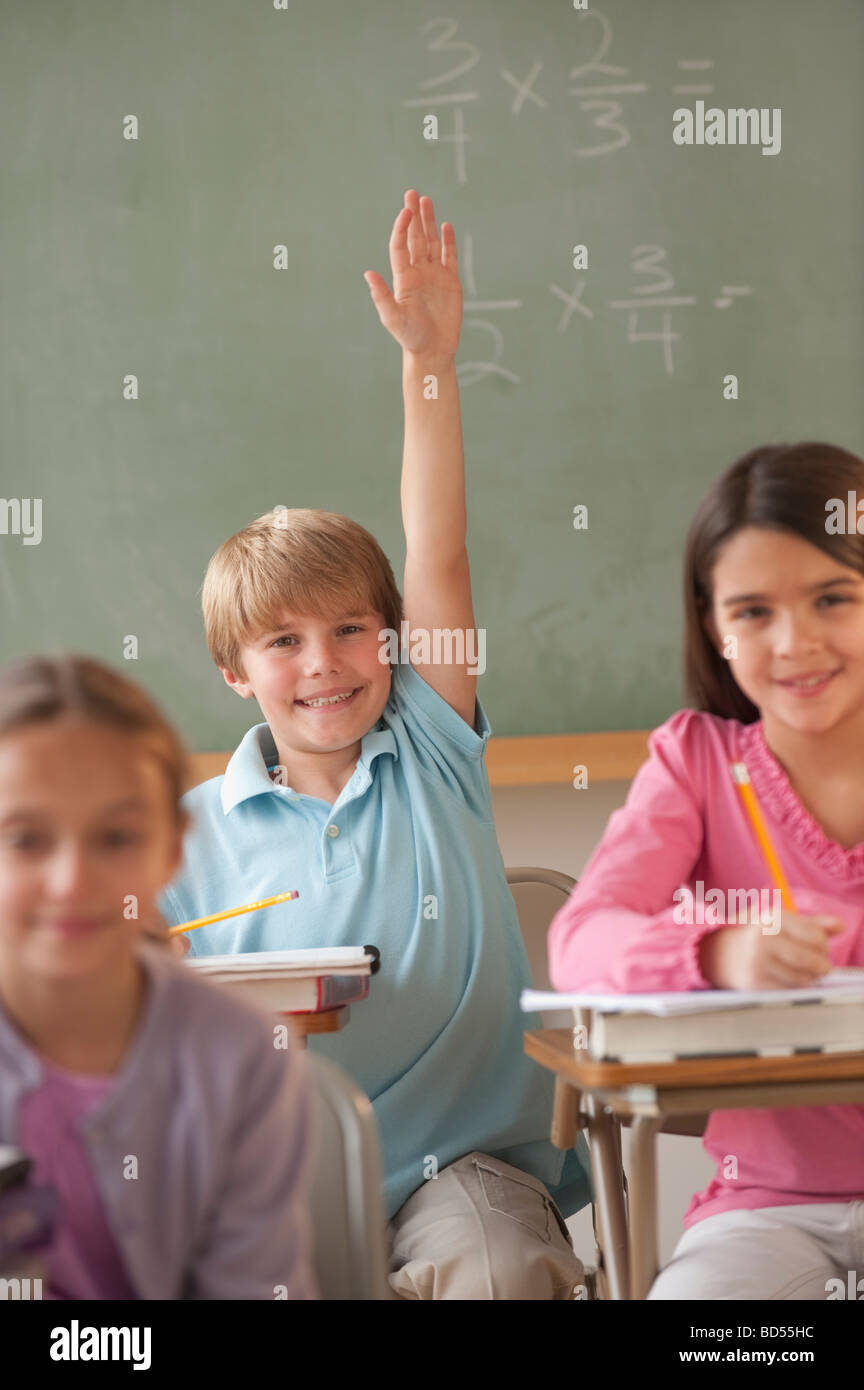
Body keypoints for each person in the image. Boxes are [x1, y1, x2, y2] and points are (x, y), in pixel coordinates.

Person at [159, 189, 591, 1300]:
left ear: (394, 641)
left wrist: (429, 364)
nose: (325, 663)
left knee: (498, 1269)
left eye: (354, 628)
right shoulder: (184, 836)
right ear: (234, 672)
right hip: (276, 1182)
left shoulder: (435, 747)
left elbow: (436, 544)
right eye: (284, 641)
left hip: (470, 1172)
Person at [549, 441, 864, 1300]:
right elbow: (581, 941)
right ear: (713, 624)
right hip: (767, 1209)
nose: (794, 642)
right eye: (753, 611)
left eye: (832, 597)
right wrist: (719, 953)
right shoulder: (696, 763)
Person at [0, 653, 317, 1299]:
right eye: (26, 840)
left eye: (115, 838)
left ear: (173, 849)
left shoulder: (242, 1056)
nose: (72, 883)